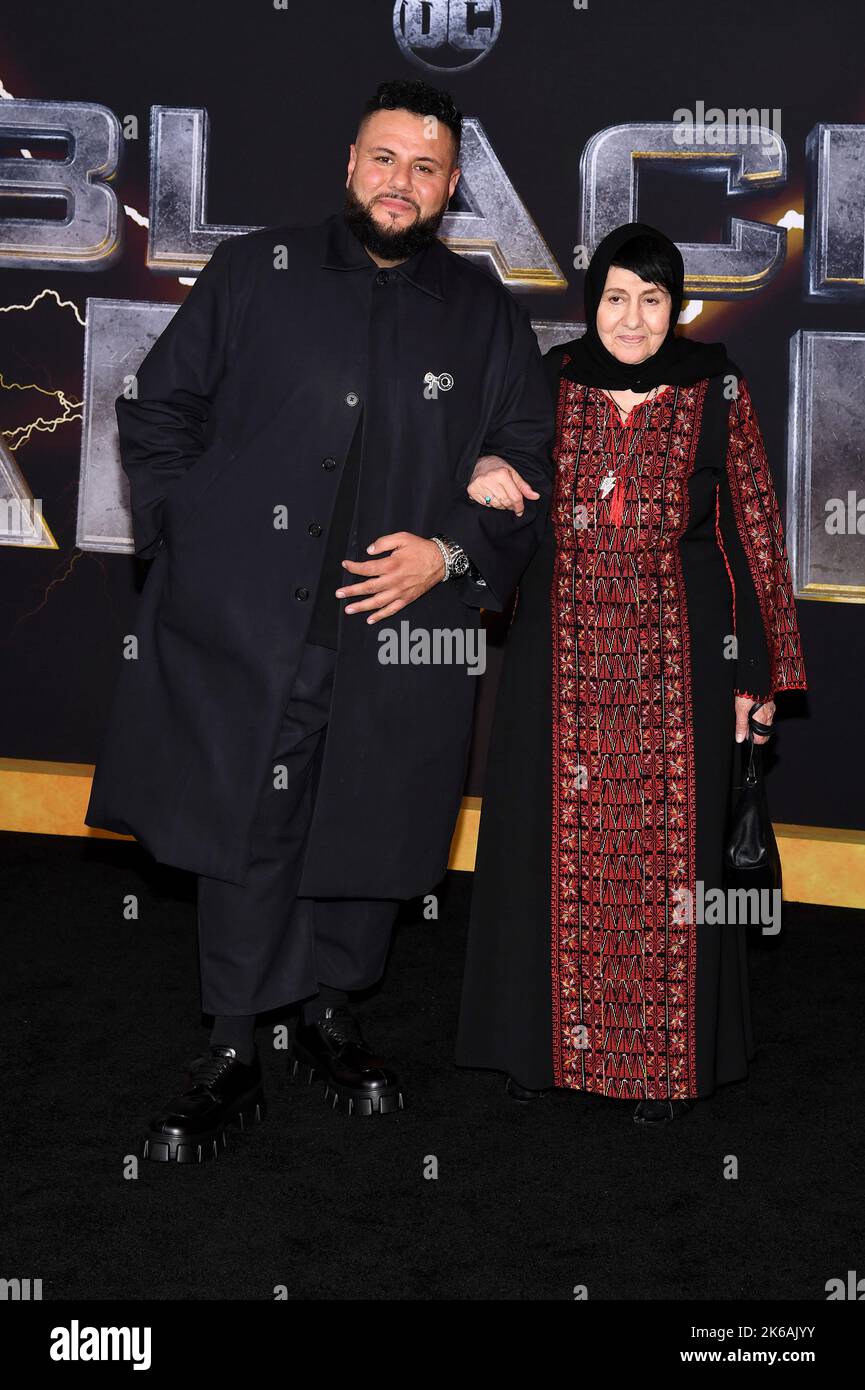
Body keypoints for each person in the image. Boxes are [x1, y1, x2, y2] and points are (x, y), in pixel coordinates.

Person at [85, 79, 555, 1161]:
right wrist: (192, 542)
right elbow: (159, 410)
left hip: (402, 633)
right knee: (251, 825)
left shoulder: (484, 313)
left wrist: (444, 554)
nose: (402, 183)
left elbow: (528, 462)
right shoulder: (259, 270)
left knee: (372, 815)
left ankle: (333, 1013)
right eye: (385, 159)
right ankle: (235, 1042)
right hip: (254, 625)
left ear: (449, 189)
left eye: (425, 168)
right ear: (350, 162)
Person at [456, 222, 807, 1124]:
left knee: (668, 864)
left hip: (680, 661)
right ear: (591, 301)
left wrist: (758, 675)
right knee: (551, 850)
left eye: (653, 299)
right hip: (557, 655)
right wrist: (487, 461)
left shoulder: (713, 385)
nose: (633, 317)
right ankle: (544, 1054)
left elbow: (754, 530)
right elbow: (494, 466)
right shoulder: (550, 379)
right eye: (616, 296)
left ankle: (657, 1069)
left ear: (674, 307)